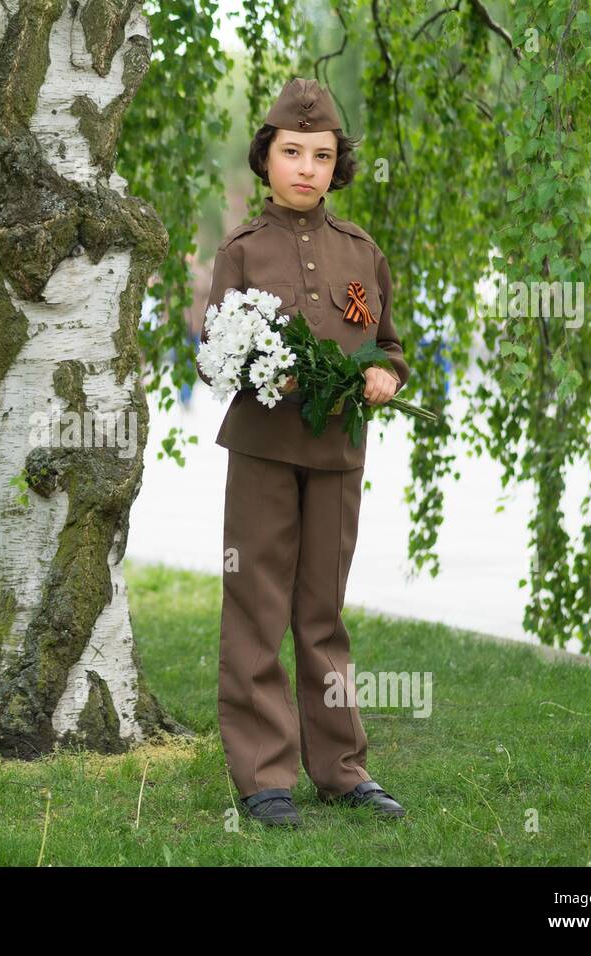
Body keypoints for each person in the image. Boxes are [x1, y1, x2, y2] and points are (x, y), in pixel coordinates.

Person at [197, 78, 411, 826]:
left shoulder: (362, 251)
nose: (307, 168)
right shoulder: (243, 253)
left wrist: (387, 371)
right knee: (255, 606)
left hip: (338, 455)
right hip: (261, 452)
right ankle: (263, 774)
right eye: (292, 152)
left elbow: (388, 342)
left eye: (321, 155)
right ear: (266, 158)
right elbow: (214, 354)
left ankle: (342, 768)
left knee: (322, 614)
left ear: (336, 165)